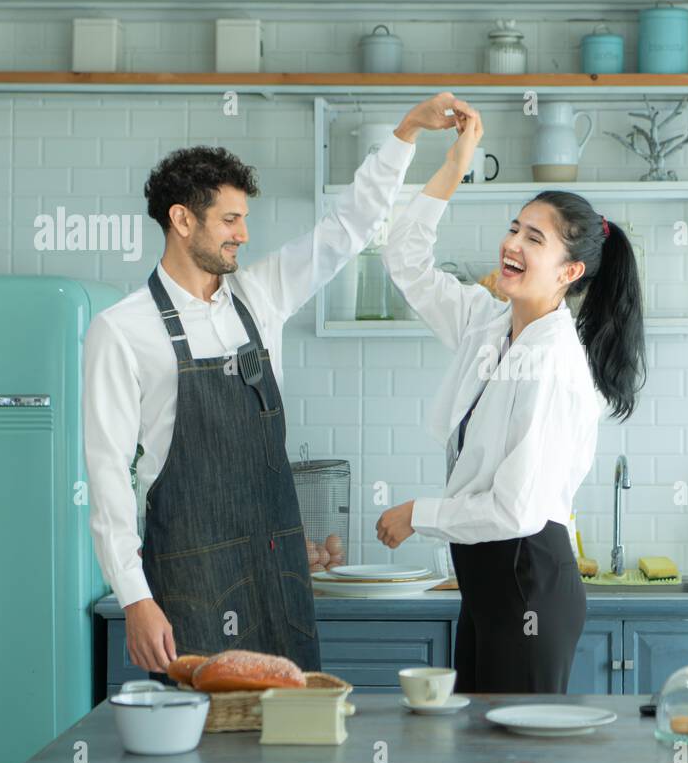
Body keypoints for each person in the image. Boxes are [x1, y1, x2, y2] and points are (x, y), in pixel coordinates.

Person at [84, 93, 460, 677]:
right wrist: (135, 598)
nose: (243, 235)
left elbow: (349, 226)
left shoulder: (259, 297)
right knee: (201, 741)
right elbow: (107, 478)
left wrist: (406, 133)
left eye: (245, 220)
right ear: (182, 220)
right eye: (230, 220)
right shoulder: (120, 330)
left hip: (275, 569)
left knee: (289, 736)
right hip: (189, 577)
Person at [375, 100, 647, 693]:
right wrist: (455, 160)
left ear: (569, 272)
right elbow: (405, 260)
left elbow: (515, 510)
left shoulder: (551, 362)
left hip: (529, 585)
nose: (514, 245)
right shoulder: (488, 321)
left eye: (536, 239)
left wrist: (418, 515)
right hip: (488, 582)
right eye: (514, 229)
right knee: (480, 761)